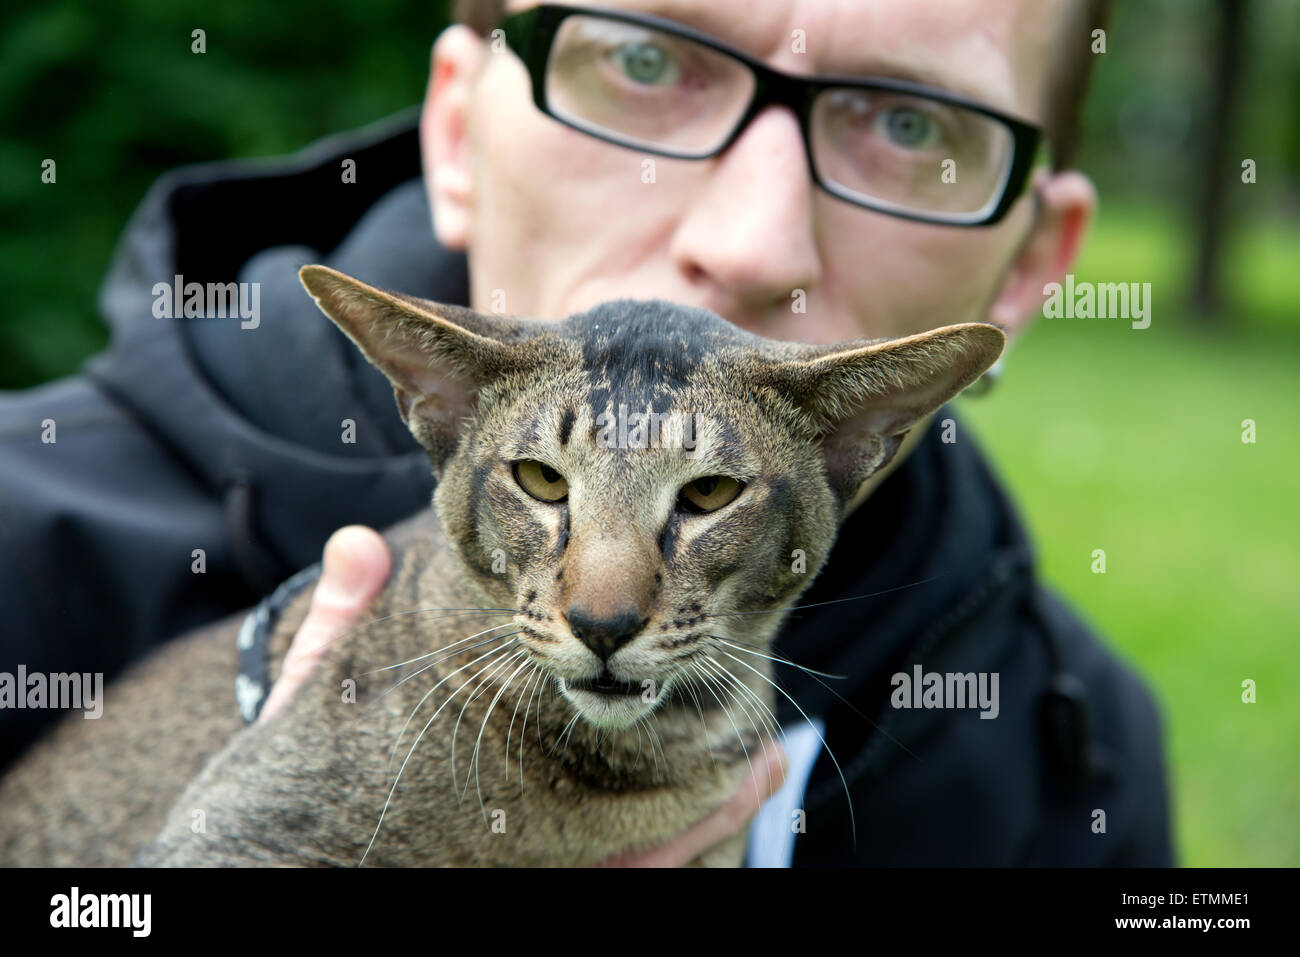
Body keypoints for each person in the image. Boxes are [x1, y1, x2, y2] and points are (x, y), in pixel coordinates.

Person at [0, 0, 1173, 865]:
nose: (753, 241)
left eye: (911, 123)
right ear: (453, 130)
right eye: (646, 57)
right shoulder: (21, 548)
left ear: (1029, 268)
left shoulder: (1079, 750)